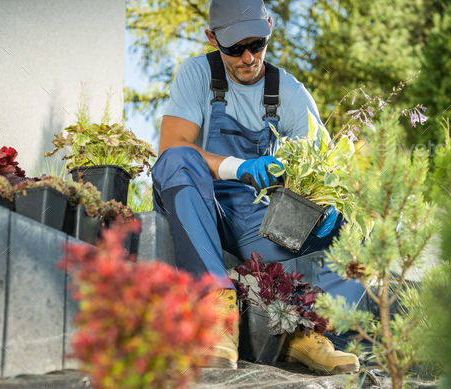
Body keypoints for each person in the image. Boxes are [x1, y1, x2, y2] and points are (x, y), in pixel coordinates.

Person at [151, 0, 365, 375]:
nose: (249, 58)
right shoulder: (198, 74)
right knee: (177, 160)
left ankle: (305, 330)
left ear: (269, 26)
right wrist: (239, 167)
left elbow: (332, 164)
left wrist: (328, 207)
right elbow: (173, 146)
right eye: (235, 48)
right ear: (212, 38)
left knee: (353, 228)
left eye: (257, 44)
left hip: (255, 222)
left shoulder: (289, 91)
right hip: (198, 205)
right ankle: (215, 310)